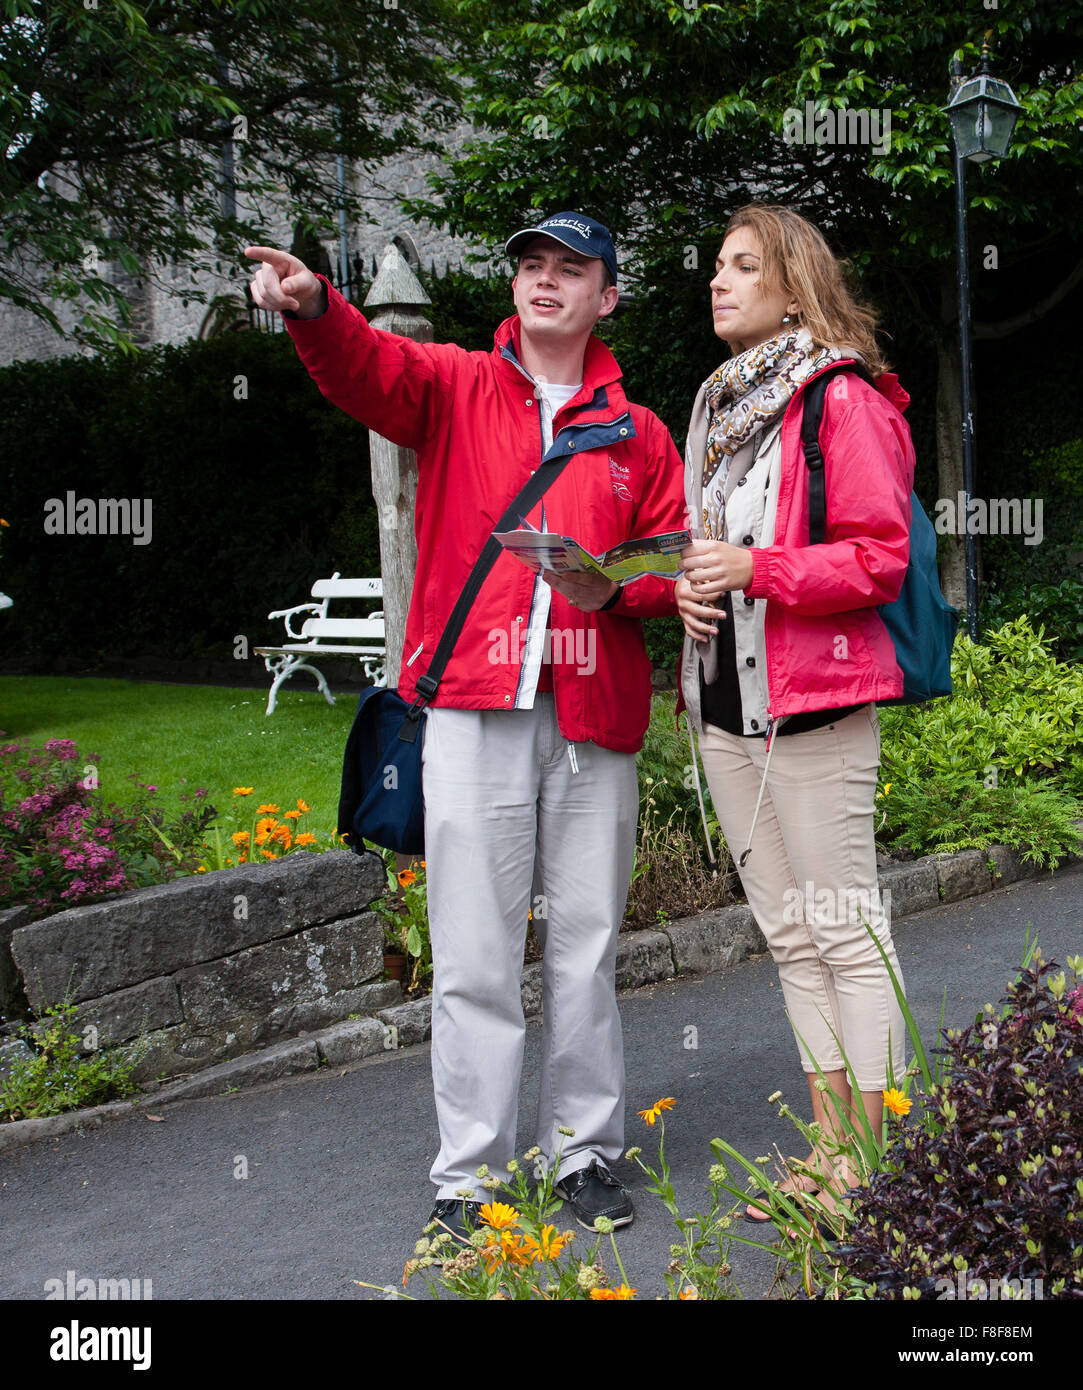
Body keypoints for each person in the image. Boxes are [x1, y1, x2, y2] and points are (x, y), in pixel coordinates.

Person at [245, 212, 685, 1235]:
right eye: (530, 265)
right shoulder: (450, 381)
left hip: (591, 712)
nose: (543, 281)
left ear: (606, 296)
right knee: (477, 951)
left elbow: (675, 562)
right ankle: (471, 1175)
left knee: (586, 946)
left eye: (569, 268)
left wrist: (615, 590)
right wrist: (314, 309)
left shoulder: (642, 432)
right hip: (473, 709)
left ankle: (584, 1154)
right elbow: (364, 367)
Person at [676, 203, 912, 1220]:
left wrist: (756, 567)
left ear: (793, 284)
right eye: (718, 266)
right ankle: (830, 1154)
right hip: (728, 707)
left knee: (846, 931)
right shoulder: (724, 408)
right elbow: (710, 548)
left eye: (744, 266)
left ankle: (879, 1161)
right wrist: (694, 586)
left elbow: (881, 556)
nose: (720, 281)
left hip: (815, 710)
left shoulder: (841, 399)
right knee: (791, 933)